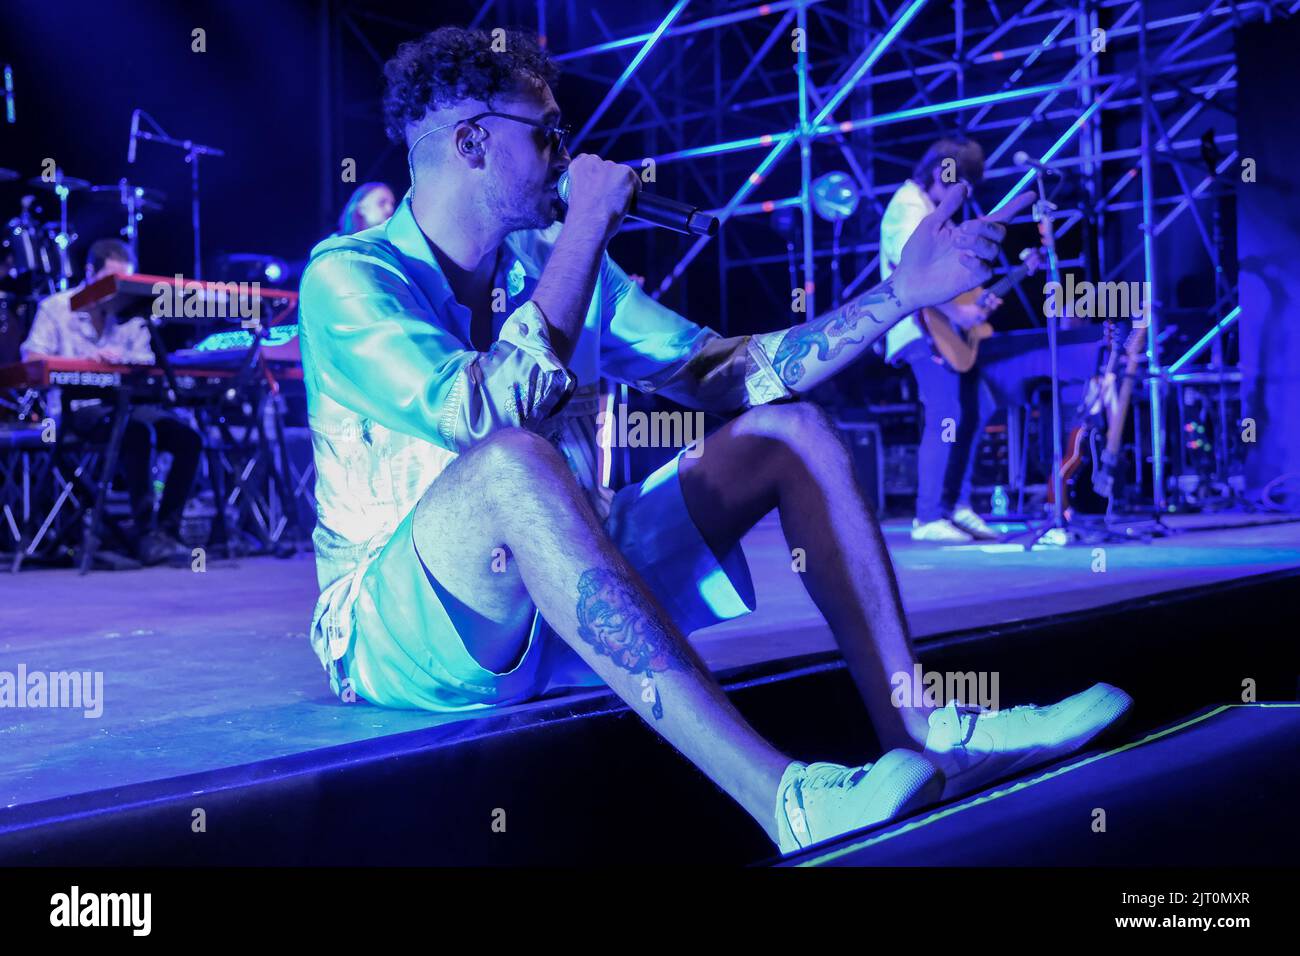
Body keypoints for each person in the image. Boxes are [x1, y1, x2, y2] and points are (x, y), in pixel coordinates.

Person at [297, 27, 1131, 855]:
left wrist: (902, 293)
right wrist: (587, 226)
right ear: (471, 140)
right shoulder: (351, 277)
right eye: (547, 134)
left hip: (555, 600)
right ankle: (783, 799)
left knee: (790, 434)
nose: (566, 155)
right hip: (397, 632)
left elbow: (724, 372)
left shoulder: (546, 258)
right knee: (514, 463)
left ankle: (927, 727)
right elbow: (489, 415)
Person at [21, 238, 201, 566]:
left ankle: (166, 531)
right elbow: (33, 357)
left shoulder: (130, 314)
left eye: (124, 283)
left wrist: (125, 359)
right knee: (136, 433)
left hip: (127, 403)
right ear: (90, 273)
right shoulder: (57, 307)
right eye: (111, 281)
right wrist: (89, 360)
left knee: (187, 438)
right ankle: (145, 534)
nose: (117, 290)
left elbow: (148, 359)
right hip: (79, 410)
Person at [881, 137, 1007, 543]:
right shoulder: (908, 206)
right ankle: (929, 514)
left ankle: (958, 505)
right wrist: (958, 312)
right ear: (943, 173)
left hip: (942, 328)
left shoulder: (935, 214)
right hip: (919, 329)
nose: (964, 193)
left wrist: (974, 304)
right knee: (947, 413)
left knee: (979, 405)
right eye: (962, 182)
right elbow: (912, 273)